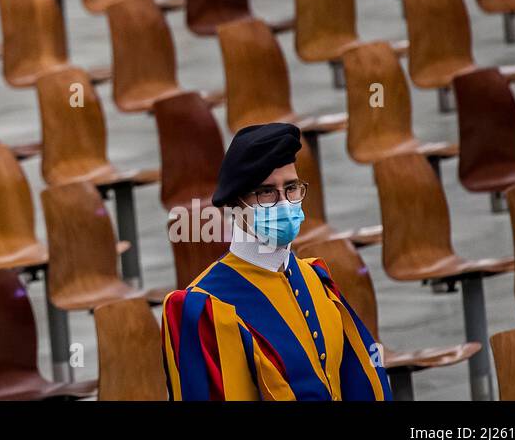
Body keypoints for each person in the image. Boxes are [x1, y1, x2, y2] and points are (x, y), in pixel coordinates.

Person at [161, 122, 391, 400]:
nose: (285, 203)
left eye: (291, 188)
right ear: (236, 205)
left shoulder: (315, 279)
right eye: (267, 192)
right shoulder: (204, 308)